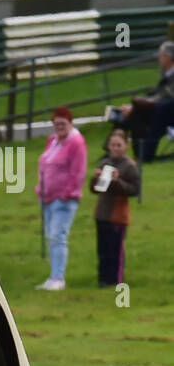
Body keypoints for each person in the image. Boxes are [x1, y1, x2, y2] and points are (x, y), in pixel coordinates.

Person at [33, 106, 87, 291]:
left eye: (63, 123)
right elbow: (46, 165)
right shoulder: (52, 140)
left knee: (58, 236)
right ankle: (53, 275)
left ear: (70, 123)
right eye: (56, 124)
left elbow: (78, 171)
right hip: (47, 197)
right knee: (51, 236)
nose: (59, 127)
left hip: (63, 199)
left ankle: (58, 278)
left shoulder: (76, 142)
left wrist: (68, 193)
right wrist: (40, 188)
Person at [89, 129, 141, 288]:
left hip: (118, 215)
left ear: (126, 145)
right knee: (103, 250)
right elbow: (94, 190)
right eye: (113, 145)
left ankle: (116, 280)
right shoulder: (104, 163)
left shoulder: (130, 166)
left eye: (119, 145)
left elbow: (134, 190)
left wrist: (118, 181)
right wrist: (95, 178)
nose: (116, 148)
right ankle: (103, 279)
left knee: (115, 251)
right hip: (102, 213)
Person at [115, 42, 174, 164]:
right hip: (161, 111)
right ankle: (115, 150)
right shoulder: (167, 75)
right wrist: (136, 105)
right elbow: (156, 94)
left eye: (161, 56)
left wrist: (140, 104)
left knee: (157, 109)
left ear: (168, 57)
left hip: (167, 114)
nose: (159, 59)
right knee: (131, 114)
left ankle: (144, 155)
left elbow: (167, 95)